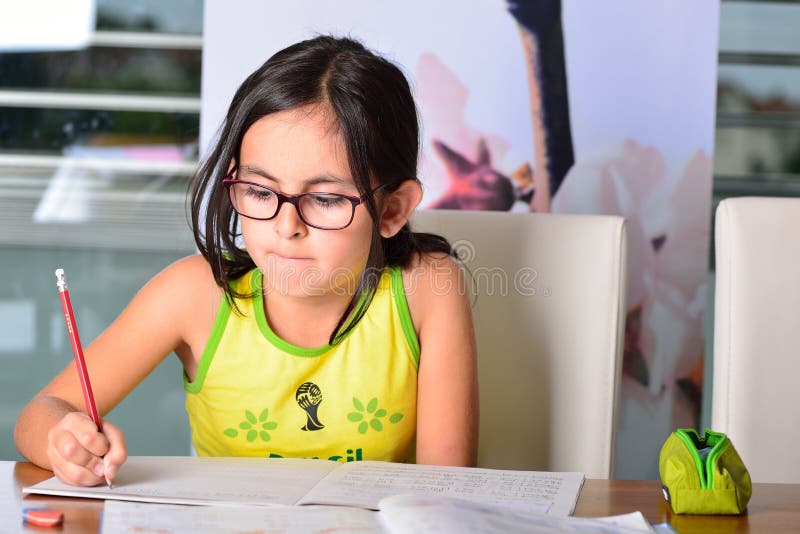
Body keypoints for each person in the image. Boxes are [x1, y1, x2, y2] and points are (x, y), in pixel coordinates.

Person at [13, 35, 478, 486]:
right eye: (259, 191)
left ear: (393, 209)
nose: (286, 226)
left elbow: (444, 488)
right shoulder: (191, 296)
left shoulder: (428, 289)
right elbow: (42, 411)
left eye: (327, 199)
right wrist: (64, 440)